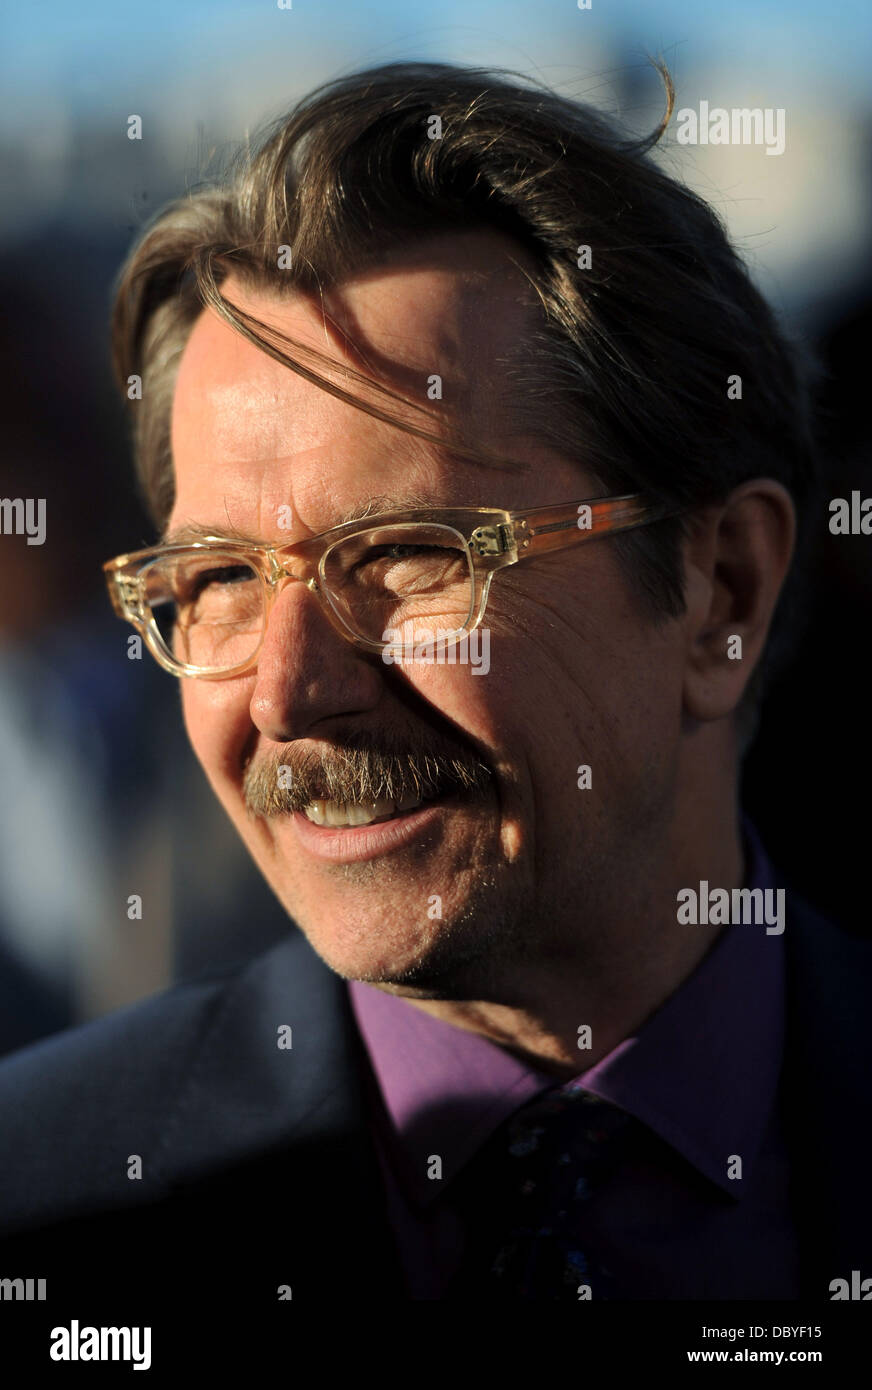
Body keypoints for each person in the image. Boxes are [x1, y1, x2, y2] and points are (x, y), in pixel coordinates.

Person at [0, 59, 868, 1308]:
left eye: (406, 556)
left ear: (720, 590)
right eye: (222, 581)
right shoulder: (48, 1208)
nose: (289, 691)